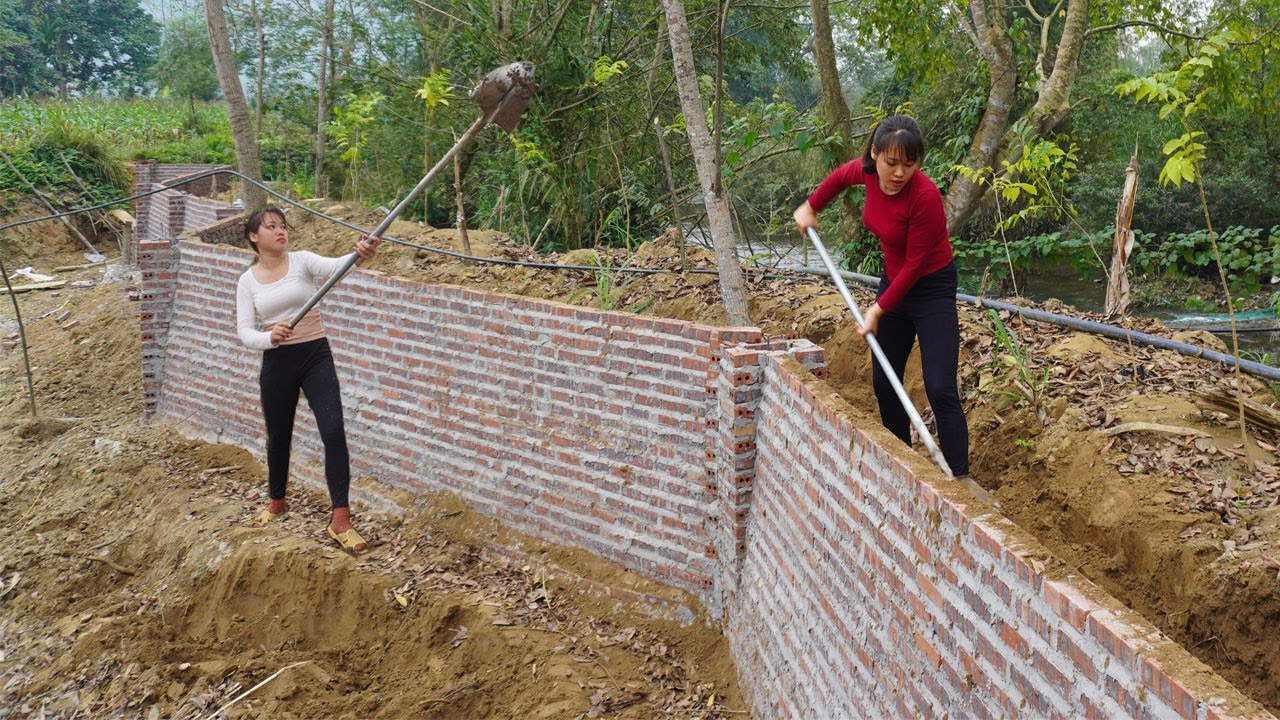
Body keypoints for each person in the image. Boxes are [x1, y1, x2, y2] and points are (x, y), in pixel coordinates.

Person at [793, 115, 971, 480]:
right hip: (893, 283)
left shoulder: (925, 197)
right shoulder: (867, 172)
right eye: (891, 162)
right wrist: (811, 206)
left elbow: (916, 264)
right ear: (874, 154)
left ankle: (961, 481)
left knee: (940, 388)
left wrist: (878, 309)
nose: (899, 173)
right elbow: (839, 178)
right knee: (884, 381)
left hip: (931, 289)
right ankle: (903, 464)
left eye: (909, 164)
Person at [235, 206, 380, 553]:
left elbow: (339, 266)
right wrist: (269, 337)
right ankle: (276, 501)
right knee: (279, 436)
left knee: (333, 431)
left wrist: (360, 252)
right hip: (278, 362)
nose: (280, 231)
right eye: (271, 227)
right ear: (254, 237)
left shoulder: (302, 260)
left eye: (282, 226)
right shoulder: (247, 281)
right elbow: (244, 331)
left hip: (315, 355)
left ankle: (340, 519)